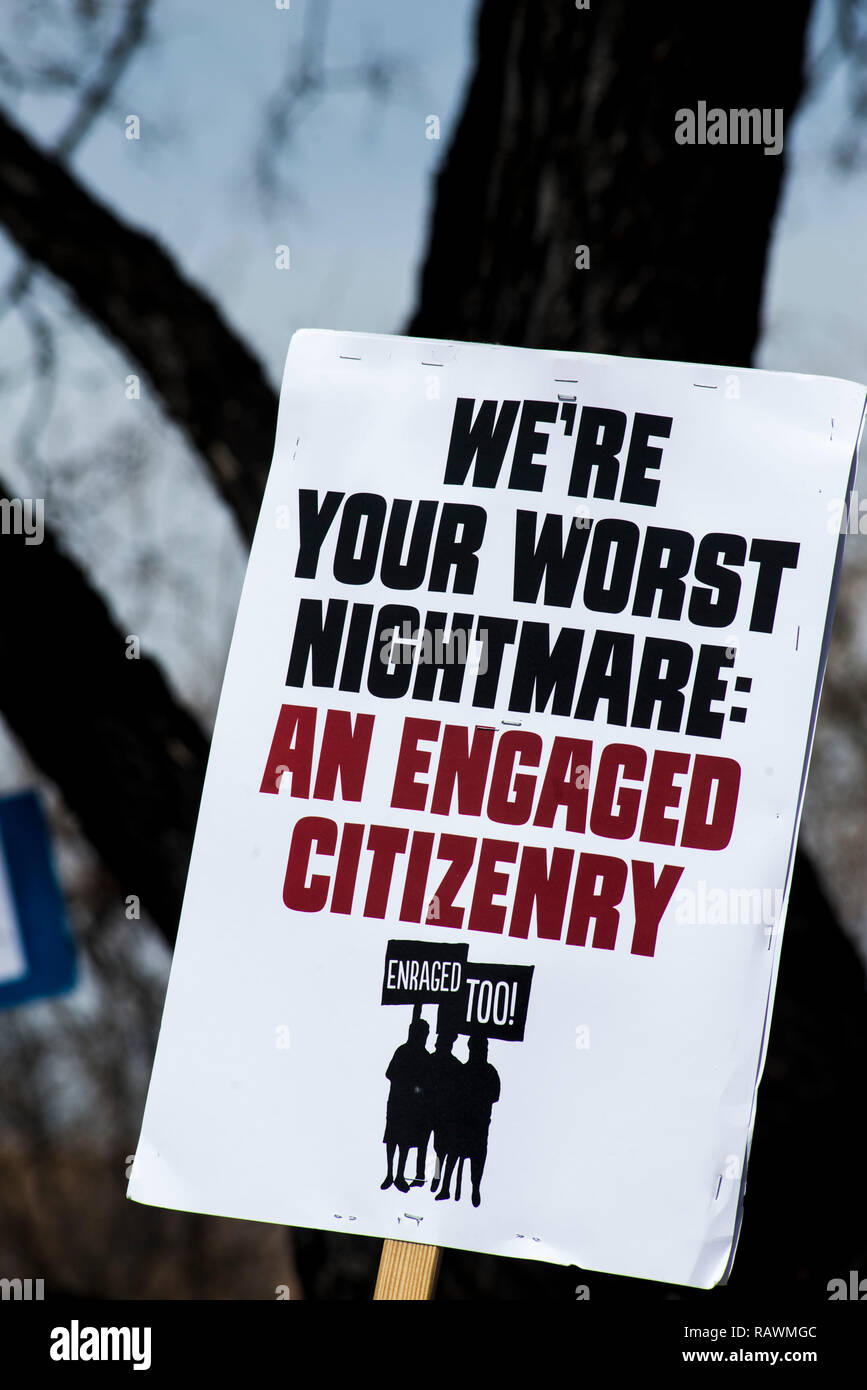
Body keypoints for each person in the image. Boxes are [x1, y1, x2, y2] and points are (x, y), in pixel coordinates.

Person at [381, 1019, 432, 1193]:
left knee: (404, 1142)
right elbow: (389, 1073)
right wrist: (406, 1082)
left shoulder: (425, 1057)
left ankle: (399, 1175)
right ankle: (389, 1173)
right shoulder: (402, 1051)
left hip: (411, 1107)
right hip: (397, 1102)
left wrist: (416, 1089)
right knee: (392, 1139)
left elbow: (426, 1084)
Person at [458, 1035, 500, 1206]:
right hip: (464, 1122)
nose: (483, 1052)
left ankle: (475, 1186)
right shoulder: (464, 1071)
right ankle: (445, 1183)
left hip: (480, 1122)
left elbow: (495, 1096)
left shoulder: (489, 1072)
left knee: (478, 1156)